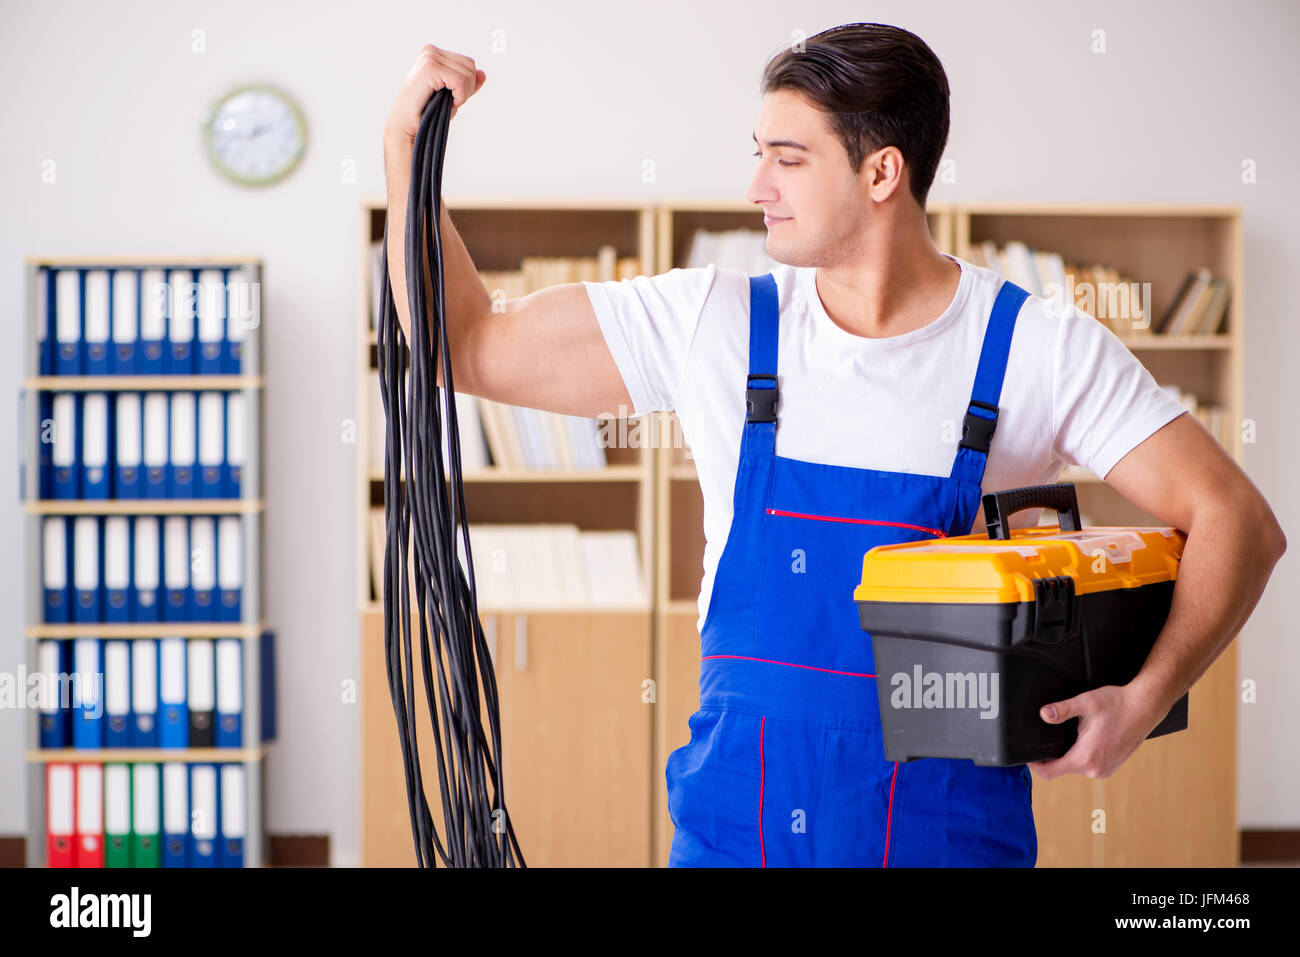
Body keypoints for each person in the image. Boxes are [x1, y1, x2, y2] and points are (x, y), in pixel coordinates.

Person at [381, 24, 1286, 867]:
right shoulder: (716, 323)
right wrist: (405, 154)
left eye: (788, 158)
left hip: (950, 831)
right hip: (737, 823)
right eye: (758, 157)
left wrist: (1149, 694)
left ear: (881, 171)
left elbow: (1237, 519)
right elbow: (464, 343)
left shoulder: (1036, 349)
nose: (755, 187)